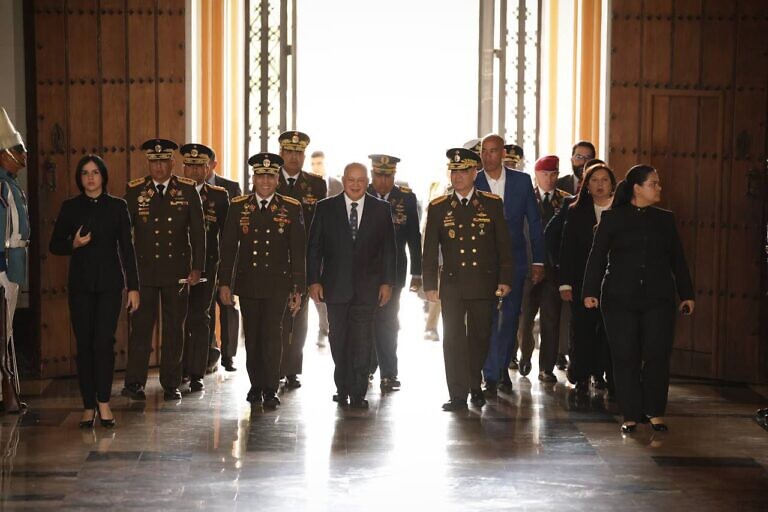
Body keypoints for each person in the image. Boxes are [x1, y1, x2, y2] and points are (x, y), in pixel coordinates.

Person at [583, 164, 695, 433]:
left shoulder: (665, 219)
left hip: (658, 298)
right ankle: (631, 414)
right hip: (618, 298)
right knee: (625, 355)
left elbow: (678, 259)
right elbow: (596, 257)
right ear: (637, 188)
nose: (659, 188)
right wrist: (589, 291)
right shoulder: (612, 218)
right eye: (653, 183)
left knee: (657, 354)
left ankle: (654, 411)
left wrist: (687, 294)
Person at [49, 155, 140, 428]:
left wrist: (133, 287)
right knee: (85, 345)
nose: (90, 177)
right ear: (80, 178)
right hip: (81, 287)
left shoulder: (117, 206)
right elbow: (55, 245)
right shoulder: (70, 207)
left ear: (103, 176)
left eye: (95, 172)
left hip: (110, 286)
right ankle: (88, 405)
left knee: (103, 343)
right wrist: (74, 244)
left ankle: (103, 401)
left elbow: (128, 249)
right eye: (85, 173)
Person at [423, 148, 514, 411]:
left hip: (483, 282)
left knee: (480, 336)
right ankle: (457, 394)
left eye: (463, 171)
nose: (457, 176)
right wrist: (429, 284)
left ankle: (475, 383)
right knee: (452, 338)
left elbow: (503, 245)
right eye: (454, 171)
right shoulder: (439, 207)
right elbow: (430, 250)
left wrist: (505, 278)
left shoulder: (491, 204)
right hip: (452, 283)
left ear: (475, 173)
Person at [218, 153, 304, 408]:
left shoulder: (290, 207)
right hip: (249, 284)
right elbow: (228, 248)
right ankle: (255, 385)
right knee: (253, 337)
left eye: (270, 176)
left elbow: (298, 251)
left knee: (273, 336)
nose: (265, 181)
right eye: (260, 176)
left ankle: (270, 387)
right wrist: (225, 283)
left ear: (277, 179)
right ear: (253, 178)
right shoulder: (238, 206)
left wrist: (298, 288)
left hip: (278, 285)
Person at [122, 139, 205, 402]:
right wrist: (127, 272)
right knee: (141, 328)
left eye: (163, 161)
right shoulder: (135, 190)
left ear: (172, 162)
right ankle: (134, 382)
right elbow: (124, 234)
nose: (158, 167)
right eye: (153, 161)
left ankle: (171, 382)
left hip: (177, 271)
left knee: (174, 329)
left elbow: (199, 233)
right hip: (144, 272)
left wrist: (197, 267)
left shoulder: (187, 190)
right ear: (149, 163)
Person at [307, 162, 396, 409]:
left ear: (367, 182)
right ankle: (342, 386)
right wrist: (313, 280)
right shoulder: (325, 208)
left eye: (360, 180)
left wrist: (387, 283)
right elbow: (314, 248)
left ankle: (358, 392)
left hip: (369, 288)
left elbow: (389, 250)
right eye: (351, 180)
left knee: (363, 340)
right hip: (336, 287)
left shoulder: (381, 209)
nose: (355, 185)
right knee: (339, 339)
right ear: (343, 181)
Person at [475, 134, 544, 396]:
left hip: (514, 261)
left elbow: (534, 222)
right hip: (481, 262)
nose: (488, 156)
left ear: (503, 153)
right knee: (488, 318)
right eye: (484, 151)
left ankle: (502, 366)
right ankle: (490, 374)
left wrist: (538, 260)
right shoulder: (474, 180)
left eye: (493, 151)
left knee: (511, 317)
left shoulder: (521, 181)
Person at [366, 154, 422, 391]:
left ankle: (389, 373)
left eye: (388, 176)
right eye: (379, 175)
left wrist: (417, 273)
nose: (383, 181)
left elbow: (414, 237)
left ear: (394, 176)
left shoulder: (406, 198)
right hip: (365, 272)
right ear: (372, 174)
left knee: (388, 321)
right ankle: (367, 367)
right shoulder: (361, 193)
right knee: (366, 321)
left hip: (395, 272)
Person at [559, 162, 616, 393]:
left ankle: (604, 375)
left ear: (612, 184)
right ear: (586, 185)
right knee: (582, 329)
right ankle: (581, 374)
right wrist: (565, 283)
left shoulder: (621, 210)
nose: (600, 185)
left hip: (614, 281)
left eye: (604, 180)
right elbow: (567, 248)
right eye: (594, 180)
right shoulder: (576, 210)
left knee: (608, 331)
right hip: (582, 280)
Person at [277, 131, 327, 388]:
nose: (294, 157)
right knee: (276, 316)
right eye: (289, 152)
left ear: (304, 155)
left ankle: (292, 369)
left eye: (299, 152)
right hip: (273, 258)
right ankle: (275, 366)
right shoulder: (268, 177)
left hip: (304, 260)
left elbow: (321, 226)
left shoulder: (316, 185)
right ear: (281, 153)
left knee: (299, 317)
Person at [180, 144, 229, 392]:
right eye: (190, 166)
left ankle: (197, 372)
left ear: (208, 168)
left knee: (200, 318)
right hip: (177, 266)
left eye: (200, 166)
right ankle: (179, 369)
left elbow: (227, 237)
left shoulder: (218, 197)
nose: (194, 171)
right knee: (177, 318)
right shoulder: (174, 192)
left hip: (208, 268)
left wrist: (225, 274)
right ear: (183, 168)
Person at [517, 155, 569, 382]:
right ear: (536, 174)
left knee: (551, 319)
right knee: (525, 318)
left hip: (553, 270)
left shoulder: (566, 200)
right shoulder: (525, 197)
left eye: (553, 174)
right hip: (528, 268)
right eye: (544, 174)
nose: (549, 178)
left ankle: (546, 368)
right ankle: (525, 355)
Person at [0, 107, 30, 413]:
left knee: (6, 331)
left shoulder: (10, 183)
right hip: (4, 266)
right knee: (2, 332)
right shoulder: (1, 186)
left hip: (12, 263)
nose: (23, 156)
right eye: (17, 151)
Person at [205, 152, 242, 372]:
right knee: (205, 308)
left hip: (226, 258)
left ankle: (229, 355)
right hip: (204, 259)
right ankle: (210, 353)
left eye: (205, 163)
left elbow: (237, 225)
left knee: (228, 305)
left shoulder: (231, 187)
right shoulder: (187, 188)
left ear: (213, 164)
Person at [309, 150, 341, 346]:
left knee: (333, 289)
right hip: (315, 247)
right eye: (313, 164)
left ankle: (331, 327)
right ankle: (324, 328)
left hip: (335, 249)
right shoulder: (308, 185)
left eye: (319, 163)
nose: (316, 167)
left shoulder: (338, 185)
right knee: (316, 290)